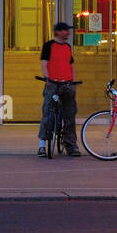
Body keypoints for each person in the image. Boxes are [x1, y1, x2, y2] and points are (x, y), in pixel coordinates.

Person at [37, 22, 81, 157]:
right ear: (58, 32)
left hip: (67, 84)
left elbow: (70, 65)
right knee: (48, 112)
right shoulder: (49, 45)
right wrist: (48, 79)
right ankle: (42, 146)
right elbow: (44, 63)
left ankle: (70, 145)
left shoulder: (67, 47)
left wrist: (73, 82)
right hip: (53, 84)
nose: (68, 33)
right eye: (65, 30)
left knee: (69, 115)